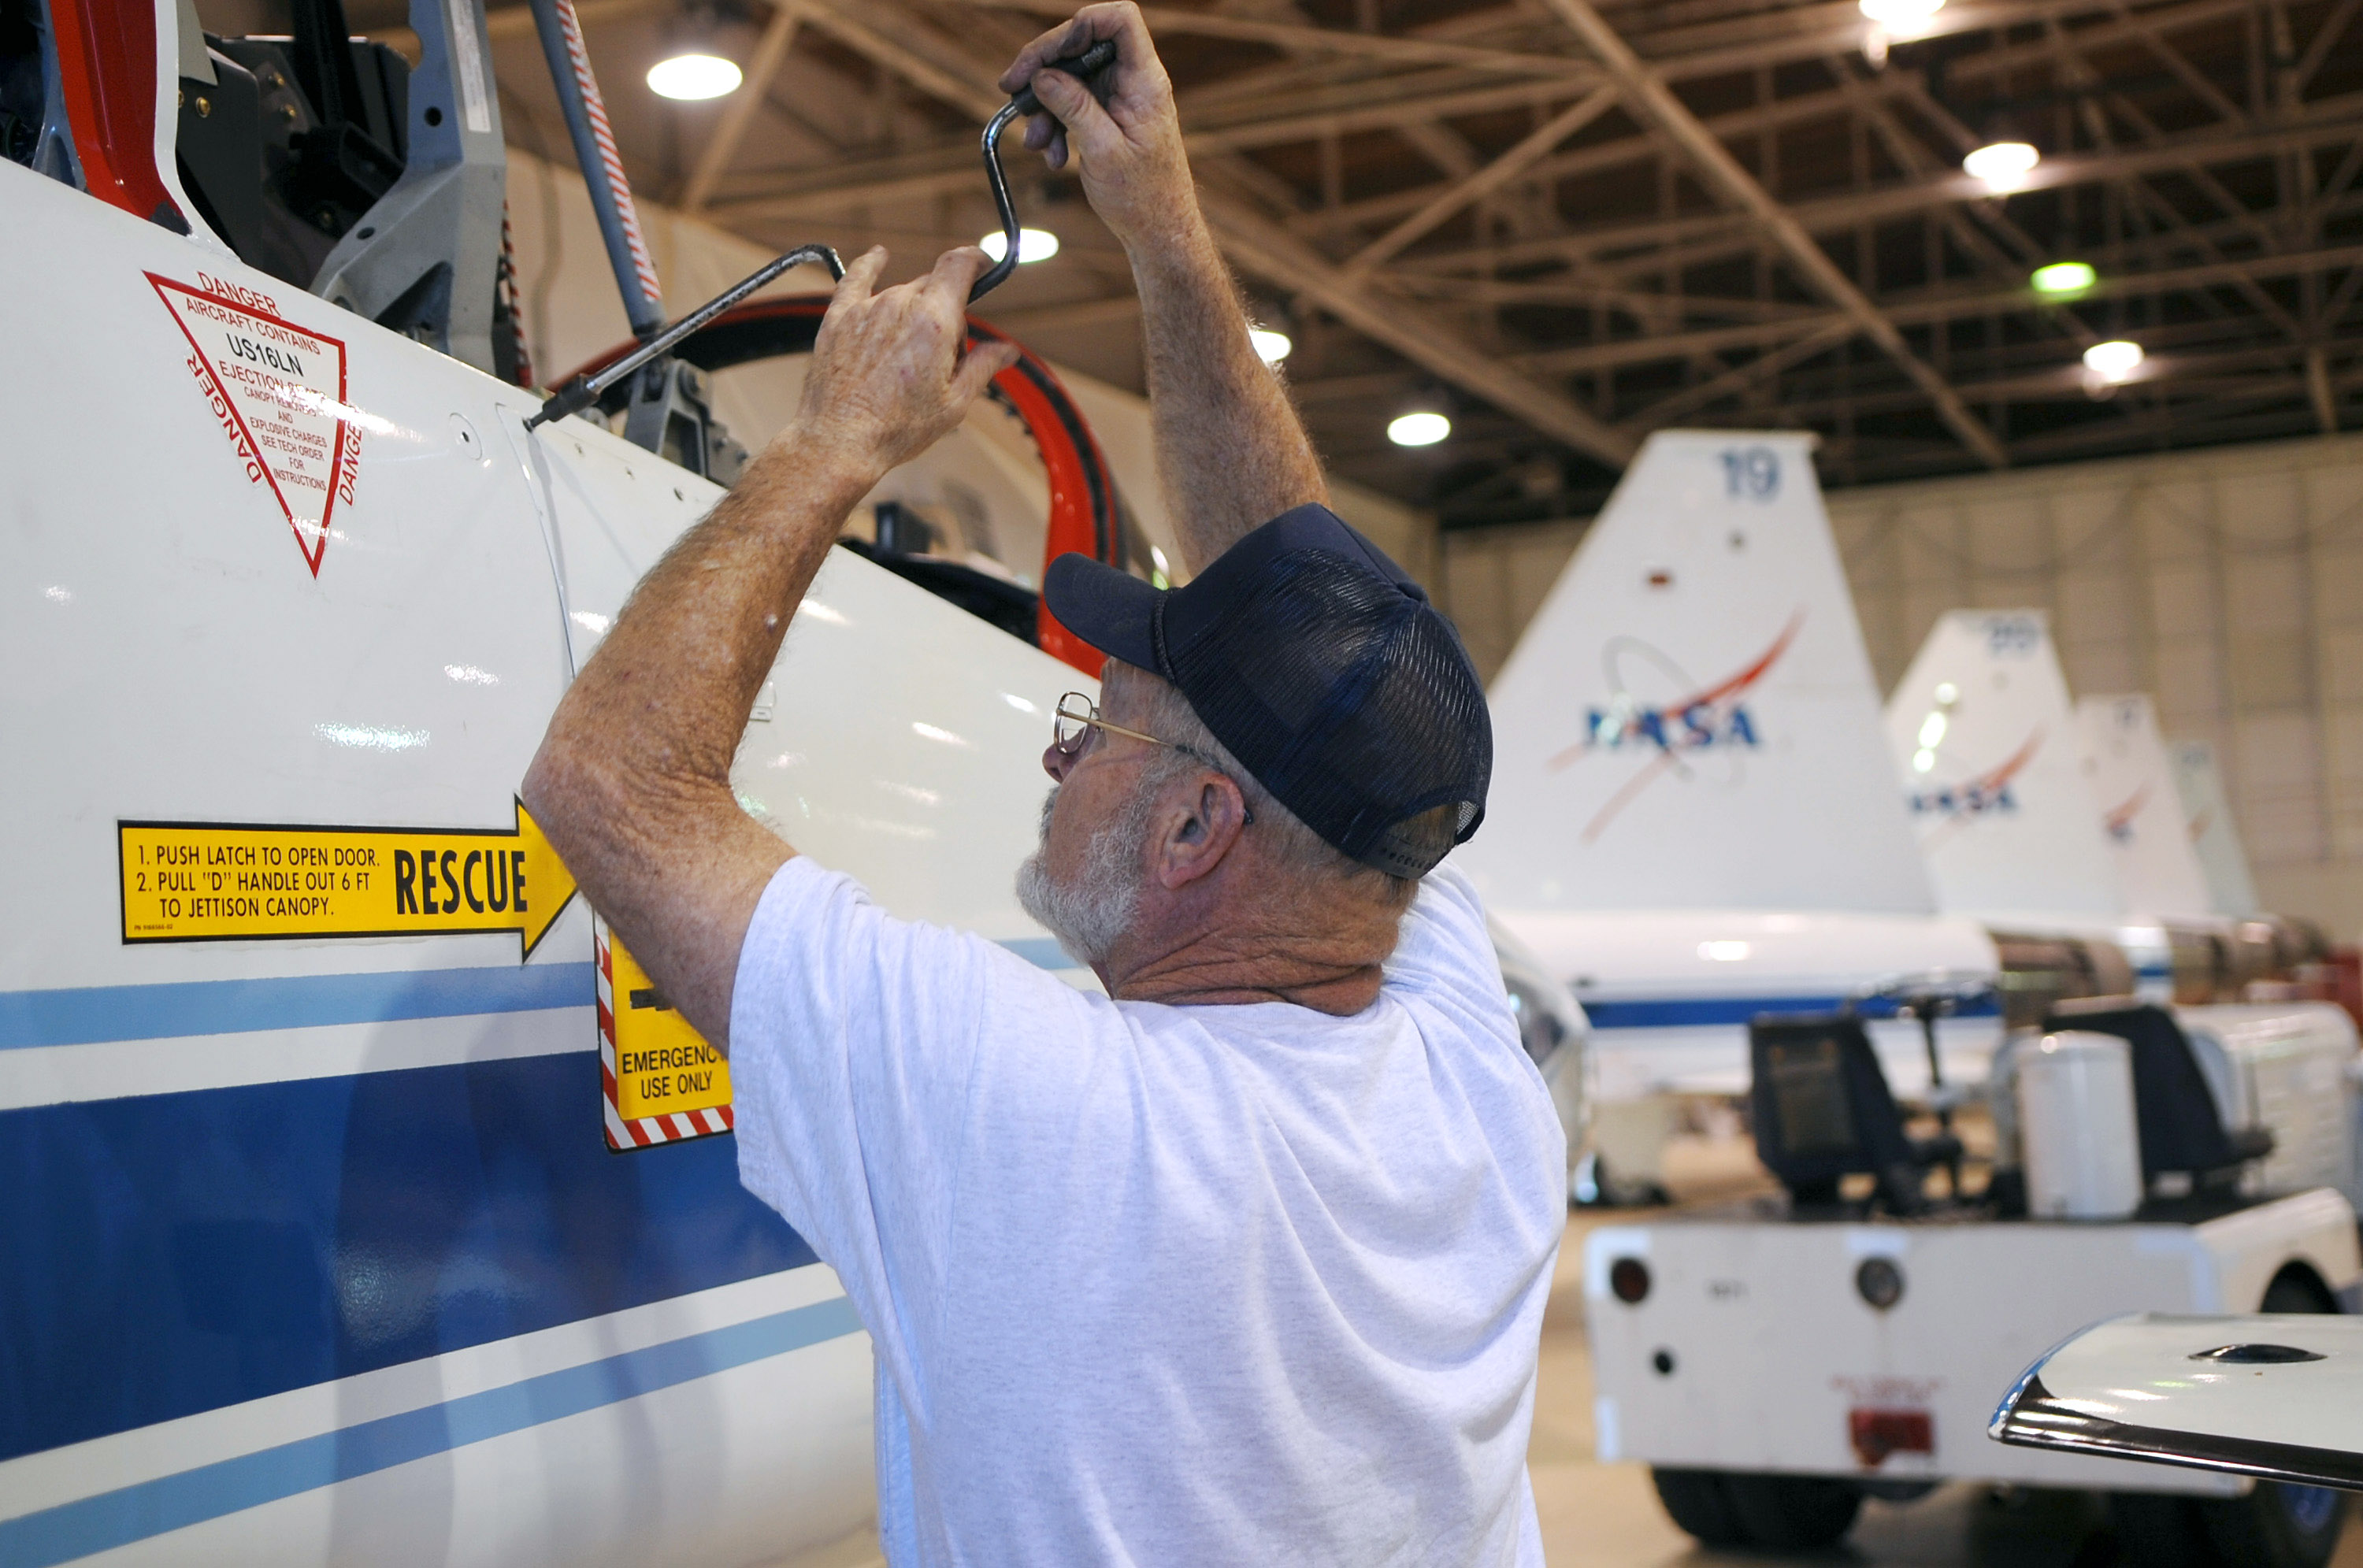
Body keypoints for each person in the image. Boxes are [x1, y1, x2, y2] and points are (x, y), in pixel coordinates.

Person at [521, 6, 1565, 1560]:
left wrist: (830, 446)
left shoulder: (1047, 1125)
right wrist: (1164, 229)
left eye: (1103, 719)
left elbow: (611, 786)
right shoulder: (1458, 1058)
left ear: (1201, 826)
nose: (1059, 743)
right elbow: (1304, 619)